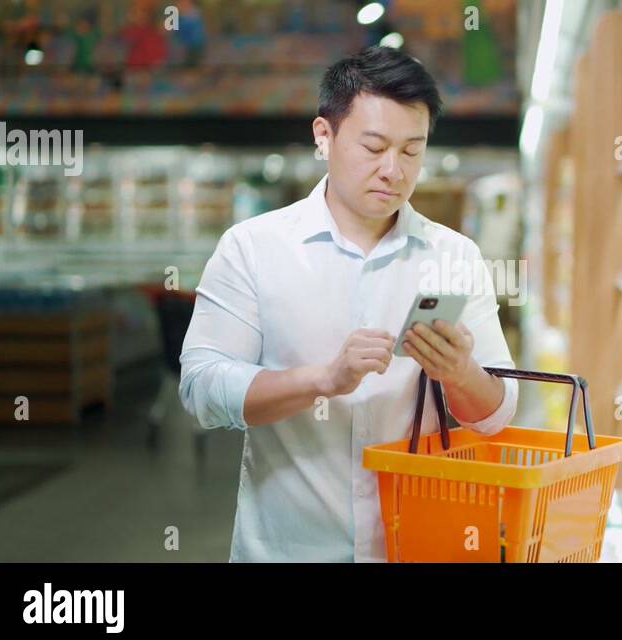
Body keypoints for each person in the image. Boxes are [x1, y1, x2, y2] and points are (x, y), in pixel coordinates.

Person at [179, 46, 518, 562]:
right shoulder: (254, 247)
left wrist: (460, 373)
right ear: (324, 136)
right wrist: (321, 380)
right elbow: (202, 389)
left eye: (411, 151)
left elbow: (496, 415)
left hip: (421, 545)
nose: (393, 170)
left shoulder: (455, 256)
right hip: (289, 548)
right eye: (374, 146)